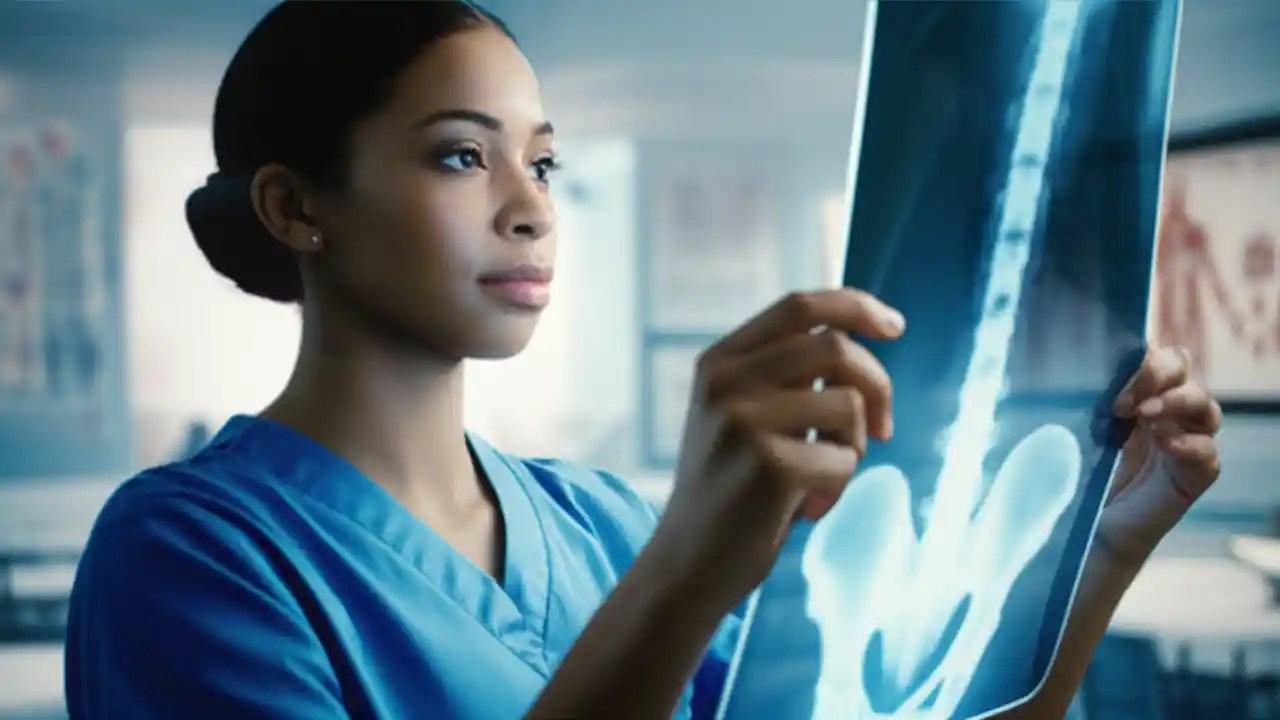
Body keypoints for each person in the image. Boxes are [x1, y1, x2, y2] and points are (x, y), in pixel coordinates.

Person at [63, 2, 1224, 719]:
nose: (531, 210)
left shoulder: (596, 526)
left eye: (546, 164)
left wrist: (1100, 545)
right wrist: (685, 568)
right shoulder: (185, 556)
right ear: (294, 205)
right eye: (462, 158)